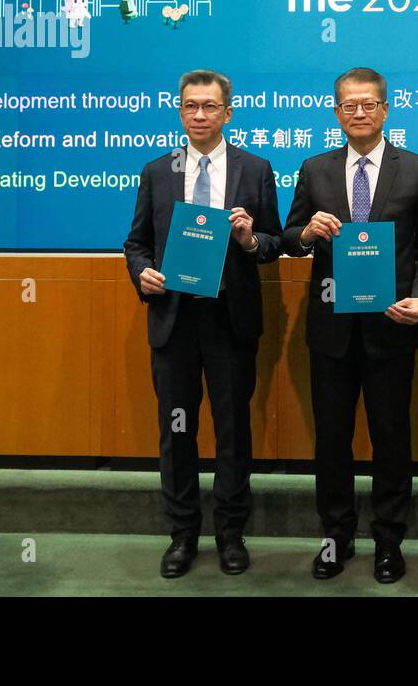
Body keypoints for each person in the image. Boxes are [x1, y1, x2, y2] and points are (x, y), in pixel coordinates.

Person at [282, 67, 418, 584]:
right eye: (348, 104)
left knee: (391, 439)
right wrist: (305, 233)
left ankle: (389, 541)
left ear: (386, 109)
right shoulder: (315, 168)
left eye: (368, 104)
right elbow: (289, 237)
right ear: (336, 112)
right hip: (331, 331)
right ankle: (335, 536)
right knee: (332, 439)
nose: (358, 112)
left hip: (392, 329)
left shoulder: (417, 170)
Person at [123, 69, 283, 578]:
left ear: (227, 112)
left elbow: (275, 244)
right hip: (174, 320)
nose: (199, 114)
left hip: (229, 320)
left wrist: (249, 239)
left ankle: (231, 532)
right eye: (190, 105)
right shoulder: (157, 170)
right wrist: (142, 272)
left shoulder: (255, 169)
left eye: (209, 106)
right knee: (177, 431)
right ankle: (182, 534)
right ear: (179, 110)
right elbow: (136, 242)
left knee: (233, 430)